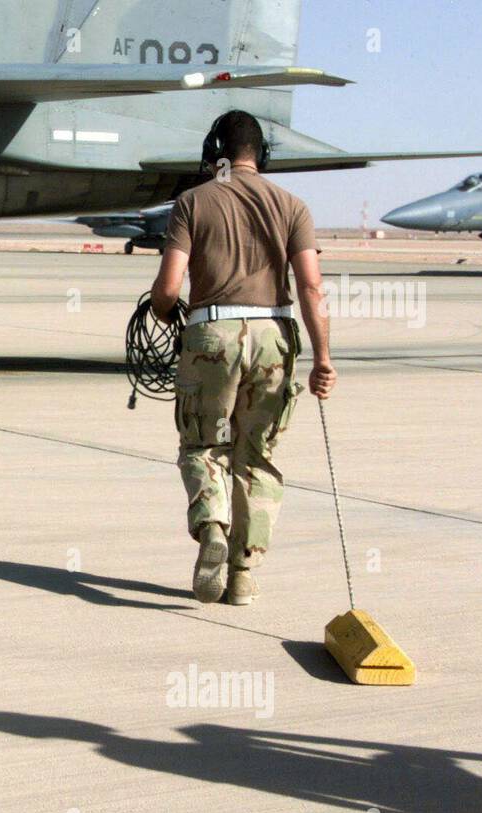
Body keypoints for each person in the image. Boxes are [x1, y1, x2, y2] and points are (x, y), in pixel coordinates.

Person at [149, 110, 336, 606]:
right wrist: (323, 360)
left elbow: (168, 288)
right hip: (275, 334)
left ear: (216, 152)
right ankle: (244, 574)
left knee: (204, 444)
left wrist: (163, 310)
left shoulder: (192, 202)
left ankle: (212, 526)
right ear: (262, 155)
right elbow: (311, 287)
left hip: (212, 332)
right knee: (257, 455)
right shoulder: (293, 206)